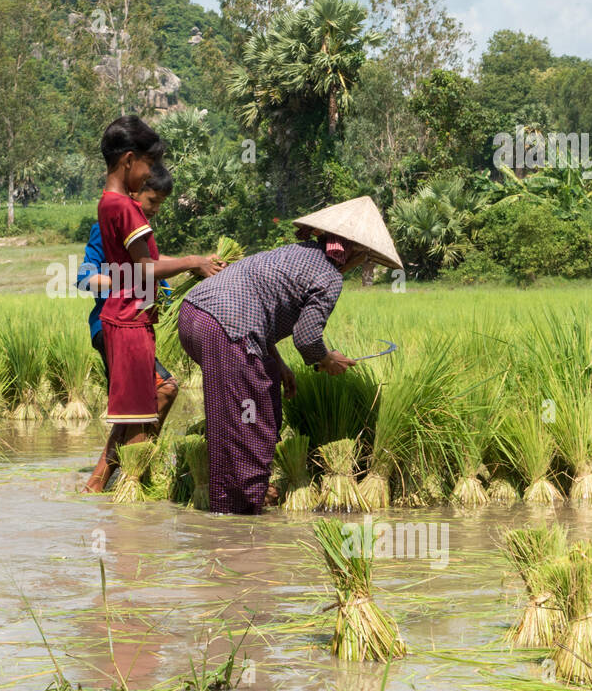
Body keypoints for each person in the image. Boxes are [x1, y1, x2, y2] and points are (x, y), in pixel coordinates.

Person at [176, 196, 403, 515]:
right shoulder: (328, 276)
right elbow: (307, 337)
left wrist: (279, 365)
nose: (358, 266)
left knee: (248, 404)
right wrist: (327, 359)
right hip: (228, 331)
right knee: (251, 420)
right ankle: (240, 511)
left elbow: (260, 306)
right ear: (352, 251)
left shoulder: (292, 253)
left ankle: (227, 500)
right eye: (363, 258)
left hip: (193, 316)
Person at [88, 115, 222, 493]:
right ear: (129, 160)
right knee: (143, 408)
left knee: (136, 412)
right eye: (148, 164)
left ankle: (106, 489)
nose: (149, 174)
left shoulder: (107, 202)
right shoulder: (127, 208)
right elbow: (144, 268)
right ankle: (122, 497)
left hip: (126, 317)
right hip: (127, 321)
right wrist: (194, 261)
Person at [78, 164, 179, 493]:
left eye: (161, 204)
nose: (155, 210)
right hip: (111, 327)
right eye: (153, 201)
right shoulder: (107, 225)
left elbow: (156, 278)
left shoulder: (141, 230)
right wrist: (126, 283)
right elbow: (84, 277)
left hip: (134, 328)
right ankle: (126, 476)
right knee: (160, 391)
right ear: (134, 191)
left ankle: (113, 479)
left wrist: (165, 294)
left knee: (150, 399)